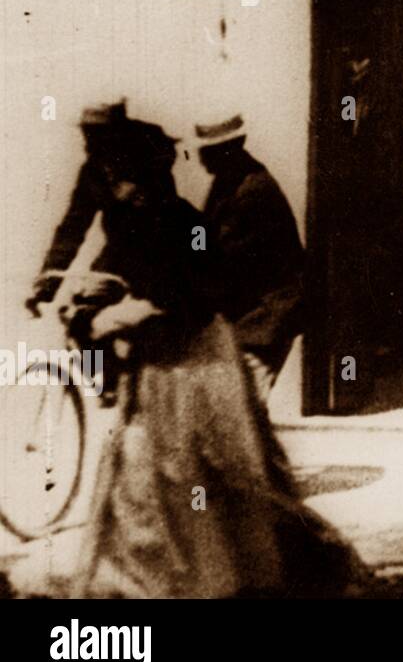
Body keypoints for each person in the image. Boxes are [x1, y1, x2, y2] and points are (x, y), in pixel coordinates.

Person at [74, 119, 365, 598]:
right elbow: (127, 265)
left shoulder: (194, 216)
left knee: (222, 474)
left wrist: (132, 312)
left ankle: (245, 573)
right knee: (152, 479)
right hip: (162, 370)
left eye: (123, 176)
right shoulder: (133, 219)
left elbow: (202, 292)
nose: (117, 187)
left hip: (202, 364)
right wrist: (99, 290)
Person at [196, 114, 305, 403]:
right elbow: (204, 239)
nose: (200, 158)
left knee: (244, 413)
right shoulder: (229, 181)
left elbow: (222, 258)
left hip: (266, 319)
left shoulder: (252, 192)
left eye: (207, 151)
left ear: (229, 149)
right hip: (248, 318)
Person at [25, 100, 130, 316]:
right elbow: (73, 226)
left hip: (161, 254)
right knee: (80, 312)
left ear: (117, 133)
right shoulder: (93, 173)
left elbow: (160, 222)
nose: (90, 140)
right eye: (87, 131)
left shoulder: (148, 163)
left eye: (99, 132)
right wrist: (47, 284)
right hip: (118, 253)